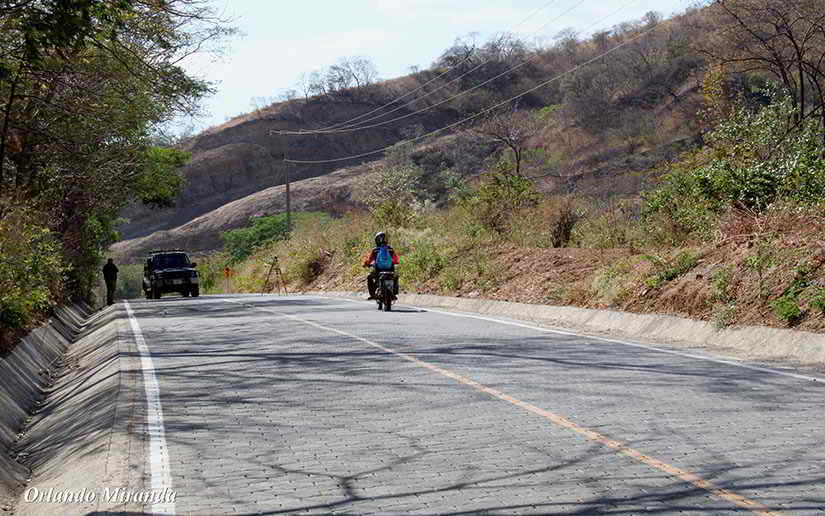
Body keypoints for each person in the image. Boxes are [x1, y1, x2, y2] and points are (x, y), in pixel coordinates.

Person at [362, 232, 399, 300]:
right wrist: (394, 262)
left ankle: (372, 294)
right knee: (395, 277)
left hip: (378, 270)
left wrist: (366, 264)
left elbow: (369, 260)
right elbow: (396, 260)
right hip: (390, 270)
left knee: (369, 277)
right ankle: (394, 293)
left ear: (377, 240)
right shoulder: (390, 249)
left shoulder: (375, 250)